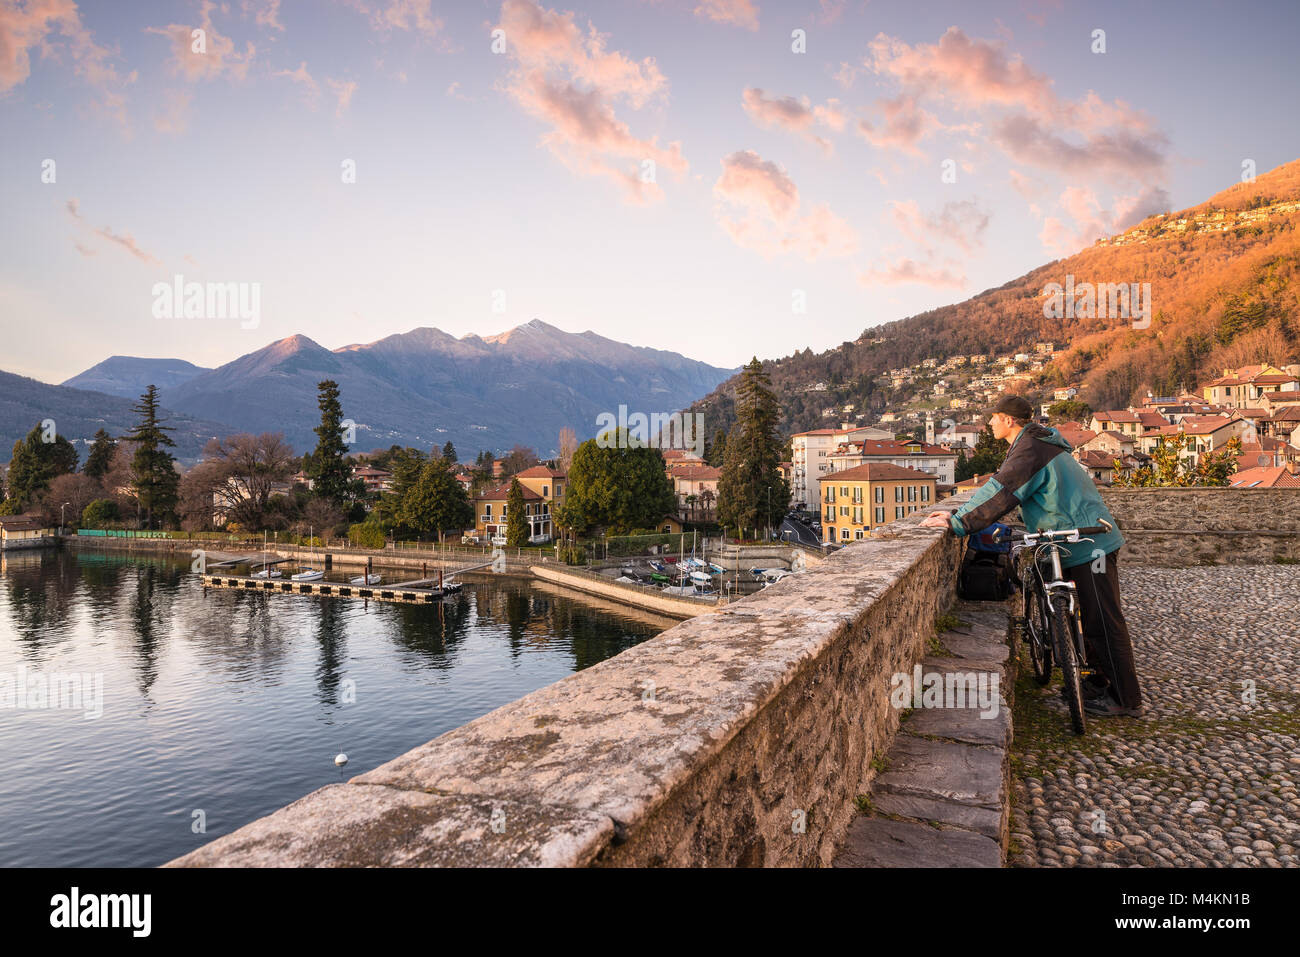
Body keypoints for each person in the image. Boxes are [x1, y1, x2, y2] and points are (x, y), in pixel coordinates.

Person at [920, 395, 1143, 718]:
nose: (990, 424)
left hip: (1089, 544)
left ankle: (1126, 699)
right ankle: (1096, 682)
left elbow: (1002, 491)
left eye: (994, 417)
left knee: (1103, 622)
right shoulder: (1038, 443)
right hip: (1072, 540)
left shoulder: (1031, 449)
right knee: (1086, 619)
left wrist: (958, 522)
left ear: (1009, 420)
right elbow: (1001, 491)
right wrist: (959, 512)